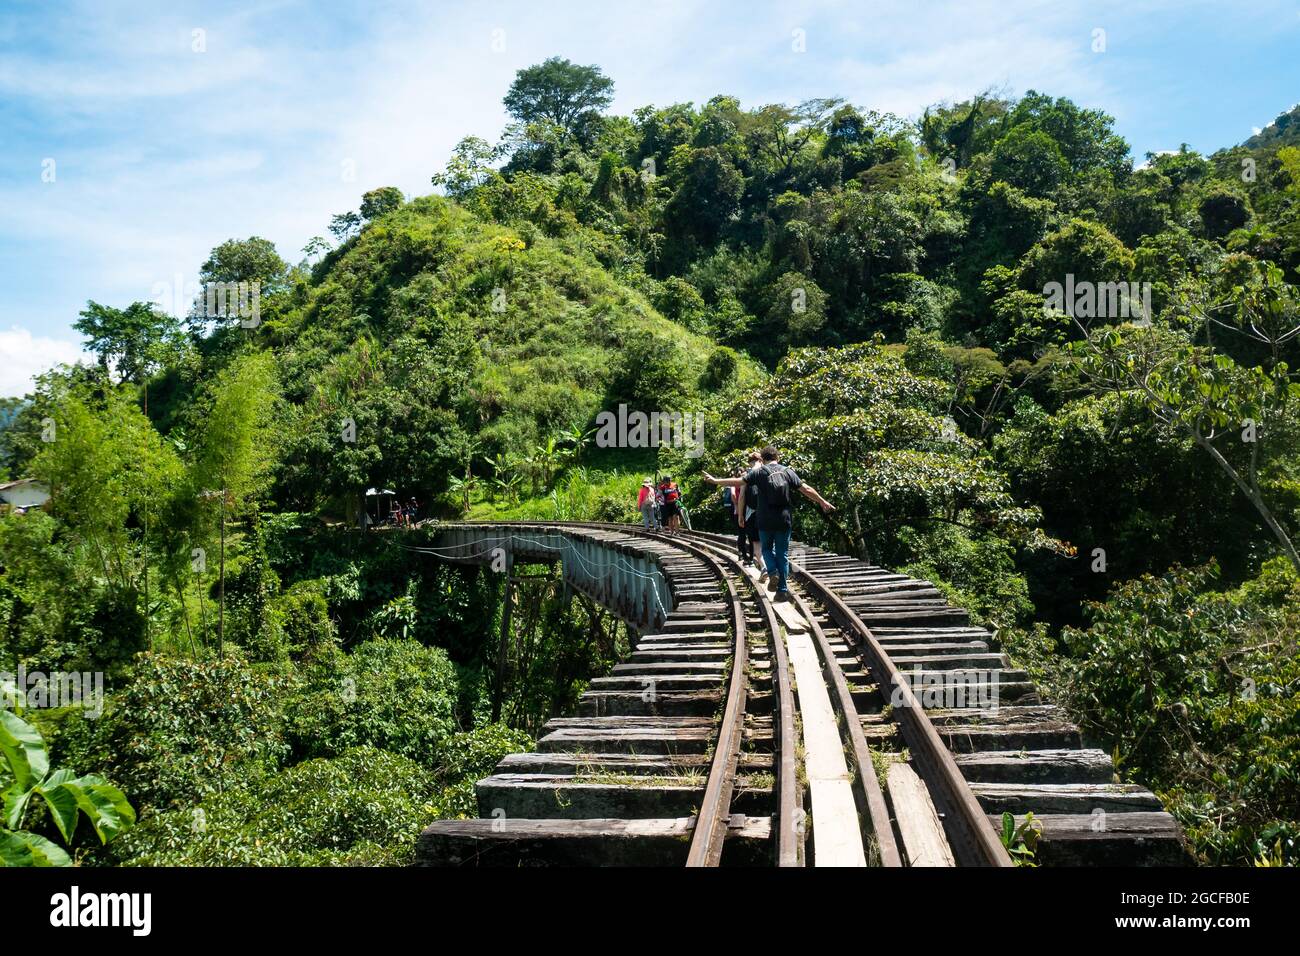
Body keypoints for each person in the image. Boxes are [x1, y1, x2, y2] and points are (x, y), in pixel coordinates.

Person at [703, 445, 835, 602]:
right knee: (782, 554)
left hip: (765, 519)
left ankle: (772, 572)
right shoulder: (786, 471)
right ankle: (782, 591)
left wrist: (716, 480)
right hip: (784, 519)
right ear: (777, 457)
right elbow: (805, 488)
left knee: (766, 549)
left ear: (762, 459)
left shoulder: (758, 472)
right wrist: (822, 501)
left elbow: (738, 482)